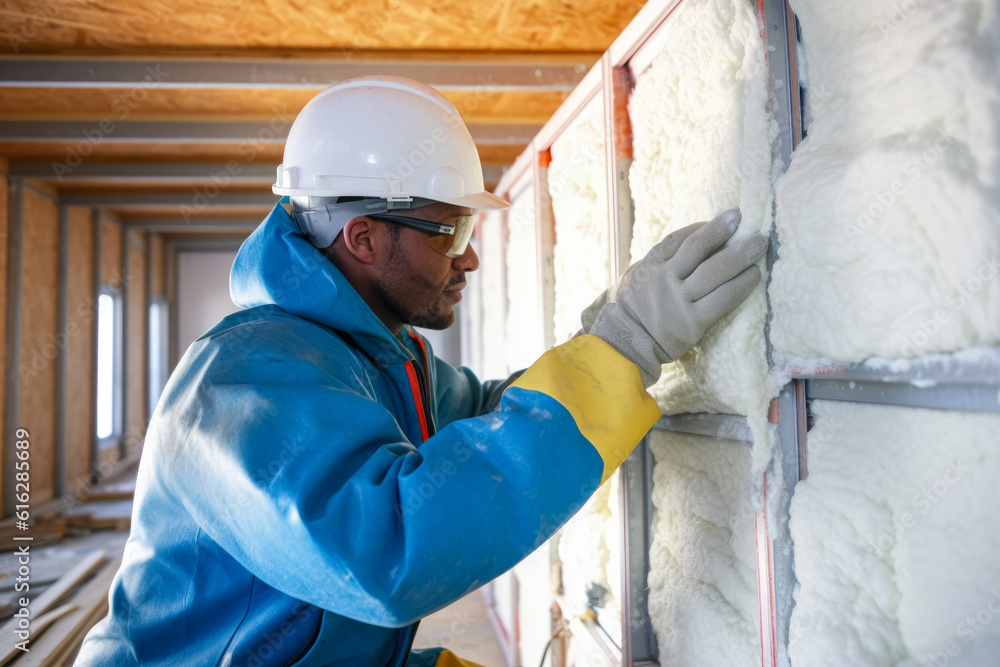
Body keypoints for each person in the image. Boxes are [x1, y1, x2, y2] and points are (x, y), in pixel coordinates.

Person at [76, 76, 767, 666]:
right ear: (365, 237)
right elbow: (389, 550)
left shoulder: (378, 356)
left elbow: (495, 414)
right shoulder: (241, 383)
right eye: (453, 233)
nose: (469, 259)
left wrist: (606, 343)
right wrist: (626, 344)